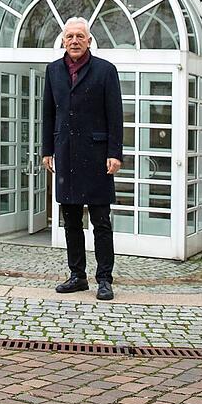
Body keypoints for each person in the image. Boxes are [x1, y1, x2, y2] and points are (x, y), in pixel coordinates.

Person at [42, 17, 123, 301]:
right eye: (69, 36)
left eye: (80, 36)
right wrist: (47, 150)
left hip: (98, 156)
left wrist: (115, 153)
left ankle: (104, 279)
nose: (74, 41)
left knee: (101, 221)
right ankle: (77, 276)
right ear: (63, 40)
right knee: (71, 220)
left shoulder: (105, 70)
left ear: (89, 40)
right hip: (66, 154)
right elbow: (48, 114)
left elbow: (115, 115)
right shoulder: (53, 71)